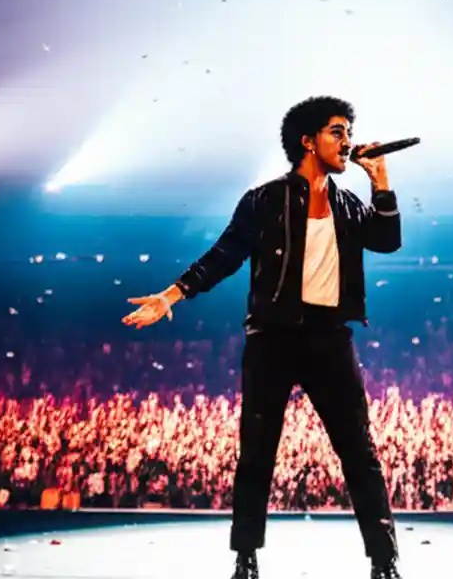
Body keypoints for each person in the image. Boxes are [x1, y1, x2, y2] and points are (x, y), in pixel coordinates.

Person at [123, 96, 404, 579]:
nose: (348, 141)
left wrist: (380, 182)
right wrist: (171, 295)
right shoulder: (265, 200)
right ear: (307, 140)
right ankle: (246, 557)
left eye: (349, 132)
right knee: (257, 453)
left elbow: (387, 239)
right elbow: (224, 254)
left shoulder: (347, 204)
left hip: (329, 339)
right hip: (272, 338)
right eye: (337, 131)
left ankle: (384, 561)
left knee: (359, 451)